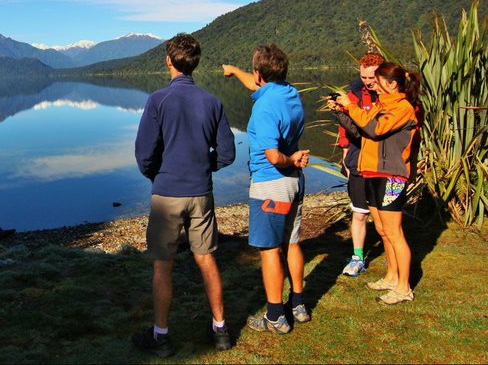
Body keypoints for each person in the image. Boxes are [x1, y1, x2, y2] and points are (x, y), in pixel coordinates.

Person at [133, 33, 237, 357]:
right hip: (201, 192)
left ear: (168, 60)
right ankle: (220, 330)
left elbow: (143, 155)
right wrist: (202, 167)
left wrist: (159, 174)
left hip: (167, 194)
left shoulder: (157, 100)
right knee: (206, 258)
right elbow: (227, 153)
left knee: (163, 266)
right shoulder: (213, 102)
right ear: (196, 62)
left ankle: (161, 337)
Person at [222, 44, 311, 335]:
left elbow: (273, 155)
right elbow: (257, 83)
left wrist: (291, 159)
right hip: (295, 183)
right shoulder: (289, 93)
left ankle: (274, 315)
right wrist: (234, 71)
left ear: (259, 73)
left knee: (270, 250)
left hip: (271, 183)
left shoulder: (264, 107)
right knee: (292, 243)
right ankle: (298, 305)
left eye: (252, 71)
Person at [329, 61, 420, 305]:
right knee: (382, 229)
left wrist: (351, 106)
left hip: (391, 176)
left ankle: (404, 287)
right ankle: (391, 276)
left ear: (391, 84)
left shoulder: (402, 108)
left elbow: (375, 128)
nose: (372, 85)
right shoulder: (381, 104)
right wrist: (341, 110)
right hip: (372, 172)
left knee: (394, 232)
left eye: (377, 81)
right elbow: (361, 130)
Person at [335, 52, 385, 277]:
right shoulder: (354, 93)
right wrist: (345, 153)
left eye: (371, 77)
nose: (367, 82)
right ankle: (357, 257)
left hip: (383, 160)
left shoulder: (391, 94)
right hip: (358, 157)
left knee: (384, 214)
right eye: (364, 77)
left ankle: (392, 253)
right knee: (359, 212)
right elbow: (346, 126)